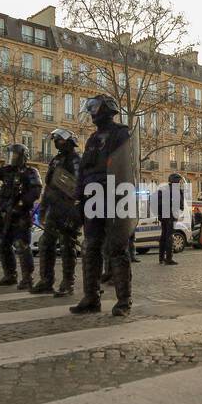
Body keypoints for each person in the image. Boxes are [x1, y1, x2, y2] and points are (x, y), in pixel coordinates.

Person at [71, 95, 134, 316]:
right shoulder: (92, 139)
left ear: (106, 110)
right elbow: (83, 172)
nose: (92, 112)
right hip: (92, 197)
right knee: (90, 247)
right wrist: (78, 197)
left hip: (113, 195)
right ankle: (91, 297)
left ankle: (123, 301)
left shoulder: (120, 133)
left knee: (117, 249)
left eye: (95, 108)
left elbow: (123, 167)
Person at [0, 144, 42, 290]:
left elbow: (35, 191)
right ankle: (10, 275)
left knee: (21, 246)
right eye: (10, 155)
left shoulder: (30, 172)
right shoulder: (7, 171)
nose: (12, 158)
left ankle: (27, 278)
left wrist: (21, 205)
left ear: (22, 157)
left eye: (15, 155)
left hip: (20, 214)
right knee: (3, 244)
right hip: (5, 214)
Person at [32, 128, 83, 296]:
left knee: (68, 245)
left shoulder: (75, 160)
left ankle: (68, 283)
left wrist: (74, 211)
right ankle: (47, 280)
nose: (57, 143)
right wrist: (43, 207)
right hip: (54, 208)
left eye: (60, 140)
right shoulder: (56, 160)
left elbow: (76, 187)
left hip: (67, 209)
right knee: (46, 243)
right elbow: (49, 186)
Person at [153, 173, 184, 266]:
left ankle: (161, 258)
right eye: (179, 181)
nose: (180, 183)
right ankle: (169, 258)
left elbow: (155, 202)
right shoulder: (176, 190)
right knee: (169, 236)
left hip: (163, 215)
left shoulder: (163, 189)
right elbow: (181, 204)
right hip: (171, 215)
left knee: (163, 236)